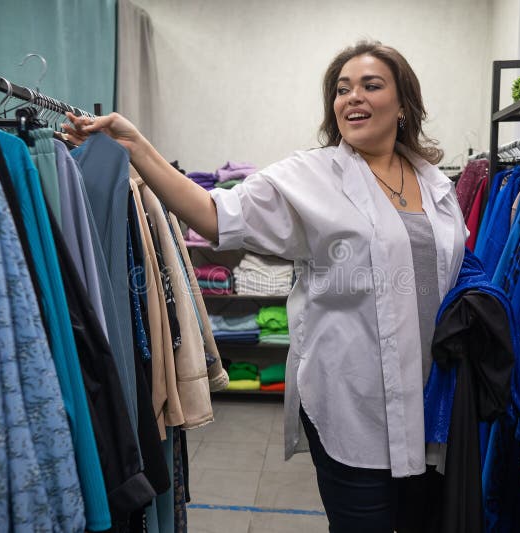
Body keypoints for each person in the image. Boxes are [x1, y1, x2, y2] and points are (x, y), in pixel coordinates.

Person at [64, 40, 467, 533]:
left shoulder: (435, 184)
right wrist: (137, 148)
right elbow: (214, 215)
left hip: (431, 403)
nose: (352, 98)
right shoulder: (312, 176)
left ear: (404, 103)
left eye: (370, 85)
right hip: (352, 403)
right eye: (342, 90)